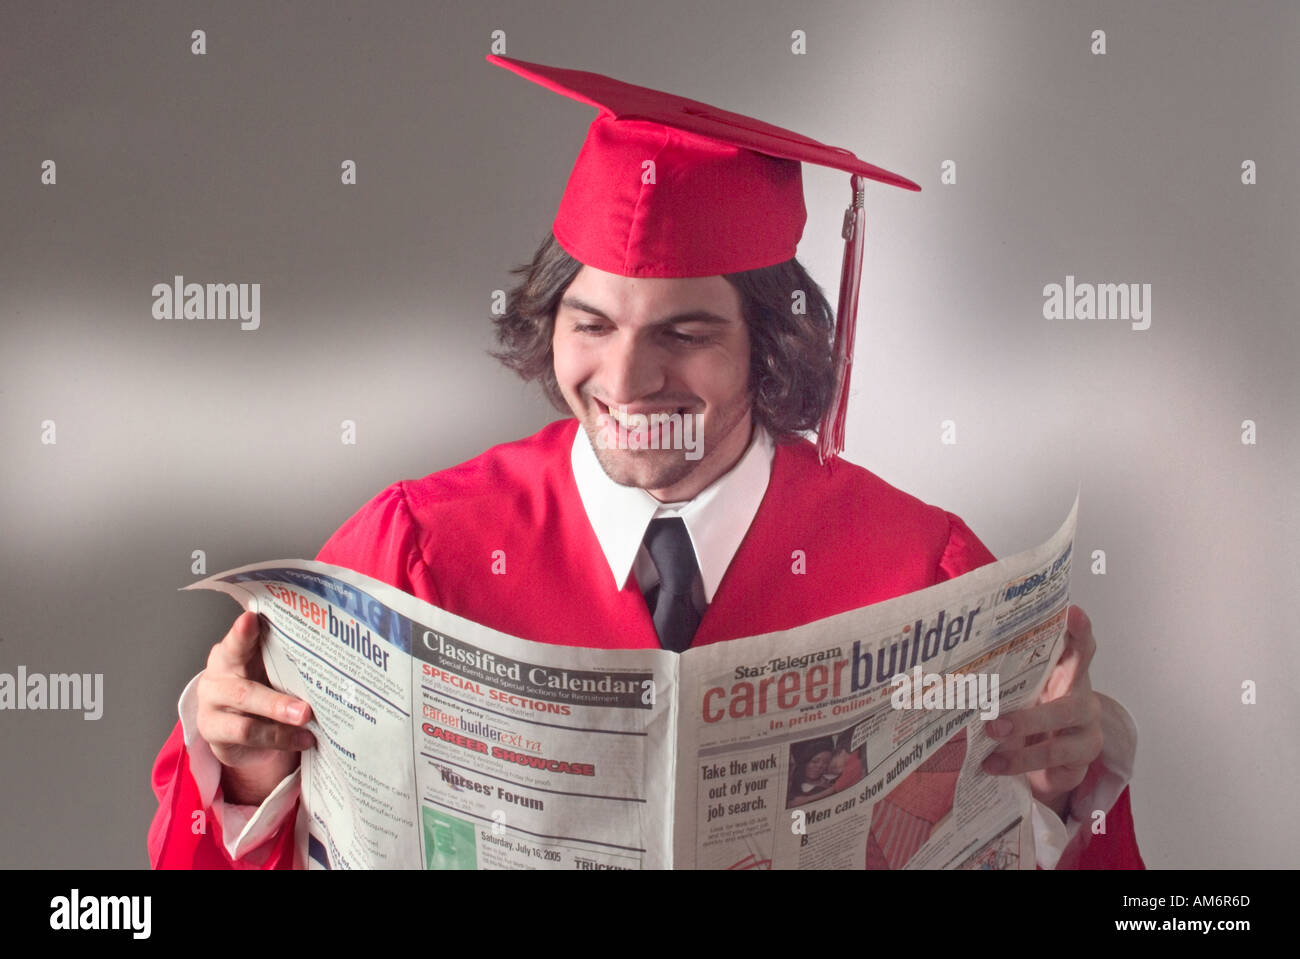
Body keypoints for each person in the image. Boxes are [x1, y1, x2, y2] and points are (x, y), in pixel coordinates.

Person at [148, 54, 1143, 870]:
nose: (627, 379)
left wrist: (1065, 787)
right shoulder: (416, 550)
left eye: (685, 332)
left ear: (770, 342)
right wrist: (238, 774)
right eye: (591, 324)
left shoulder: (926, 575)